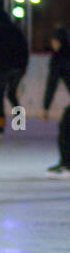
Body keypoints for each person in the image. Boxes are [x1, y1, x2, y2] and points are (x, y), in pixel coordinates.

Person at [42, 26, 70, 175]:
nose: (52, 44)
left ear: (58, 42)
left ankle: (66, 163)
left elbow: (52, 85)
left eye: (53, 41)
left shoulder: (58, 59)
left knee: (65, 128)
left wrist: (45, 107)